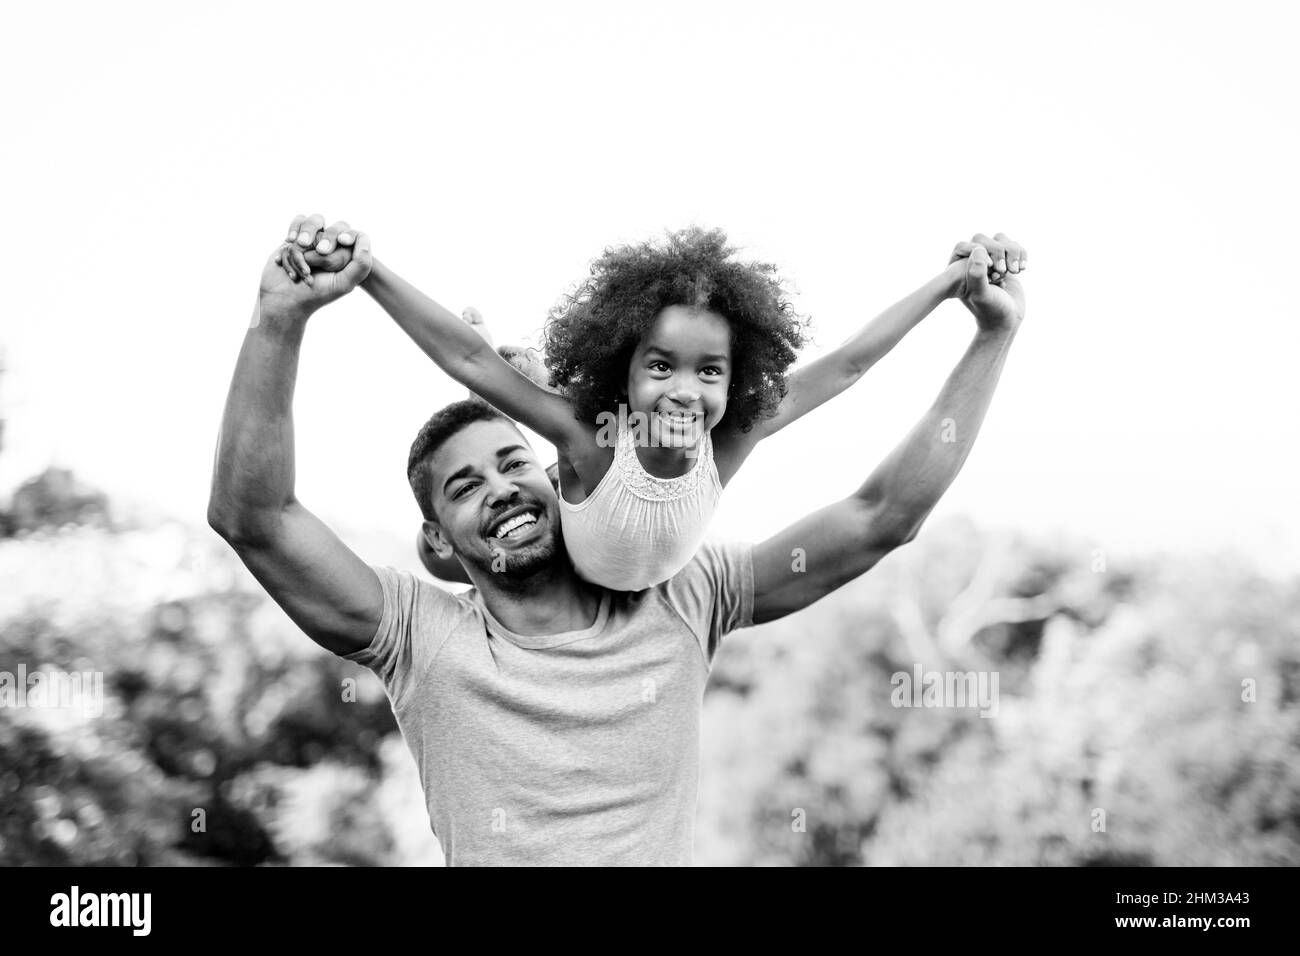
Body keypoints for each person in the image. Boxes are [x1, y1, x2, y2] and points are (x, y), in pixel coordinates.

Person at [216, 218, 1026, 865]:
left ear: (555, 478)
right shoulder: (418, 637)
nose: (501, 488)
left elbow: (882, 515)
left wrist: (991, 336)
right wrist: (277, 322)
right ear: (435, 543)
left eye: (511, 462)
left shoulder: (685, 593)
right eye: (465, 487)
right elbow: (256, 519)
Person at [278, 222, 1025, 591]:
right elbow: (462, 356)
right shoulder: (588, 439)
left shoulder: (734, 439)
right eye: (659, 365)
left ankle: (520, 383)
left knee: (518, 407)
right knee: (441, 556)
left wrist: (950, 286)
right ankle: (515, 389)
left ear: (737, 384)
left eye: (710, 372)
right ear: (623, 369)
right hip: (572, 532)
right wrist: (370, 274)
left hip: (642, 562)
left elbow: (850, 364)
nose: (681, 390)